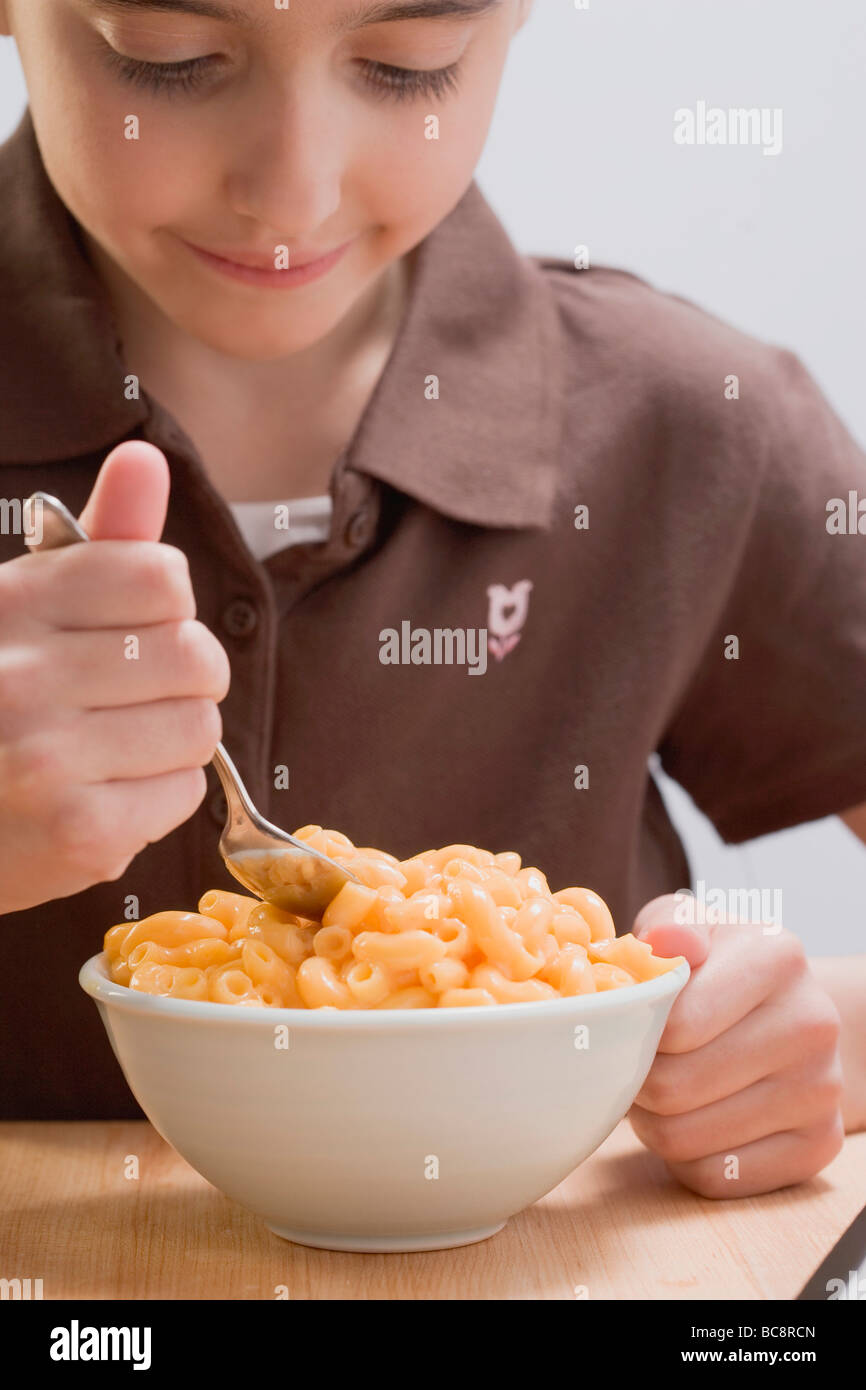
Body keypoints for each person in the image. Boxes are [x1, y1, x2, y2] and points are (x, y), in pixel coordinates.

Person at [0, 0, 864, 1201]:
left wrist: (815, 1031)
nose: (291, 193)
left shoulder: (684, 425)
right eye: (172, 56)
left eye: (408, 67)